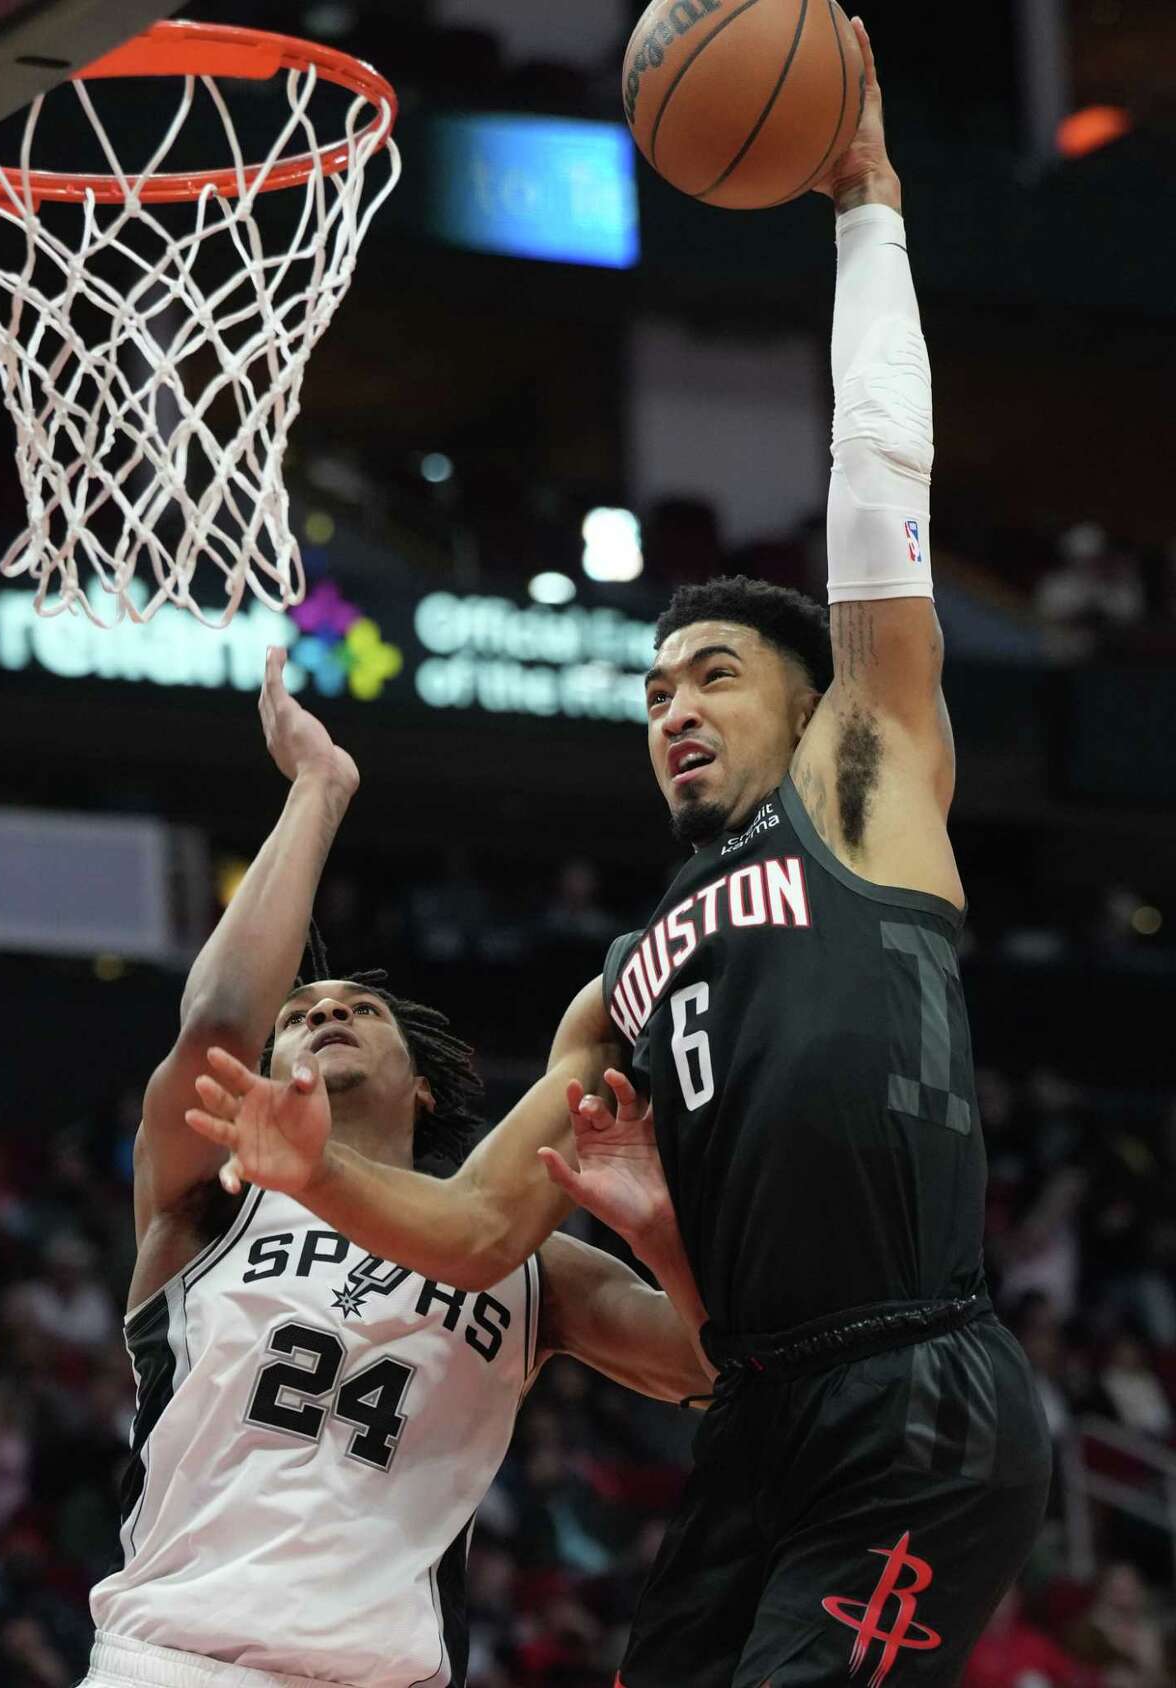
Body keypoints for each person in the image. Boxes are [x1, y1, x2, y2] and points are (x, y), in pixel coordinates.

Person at [188, 22, 1052, 1686]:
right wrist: (311, 1170)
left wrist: (866, 203)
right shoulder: (617, 992)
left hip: (917, 1385)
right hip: (768, 1408)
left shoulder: (863, 785)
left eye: (712, 674)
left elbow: (880, 473)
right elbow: (466, 1227)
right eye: (653, 687)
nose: (671, 707)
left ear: (810, 707)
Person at [79, 648, 709, 1688]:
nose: (327, 1011)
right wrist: (318, 790)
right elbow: (217, 1020)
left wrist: (659, 1238)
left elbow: (704, 1364)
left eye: (361, 1010)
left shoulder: (527, 1257)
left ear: (422, 1086)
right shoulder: (215, 1200)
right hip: (177, 1658)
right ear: (270, 1070)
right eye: (304, 1016)